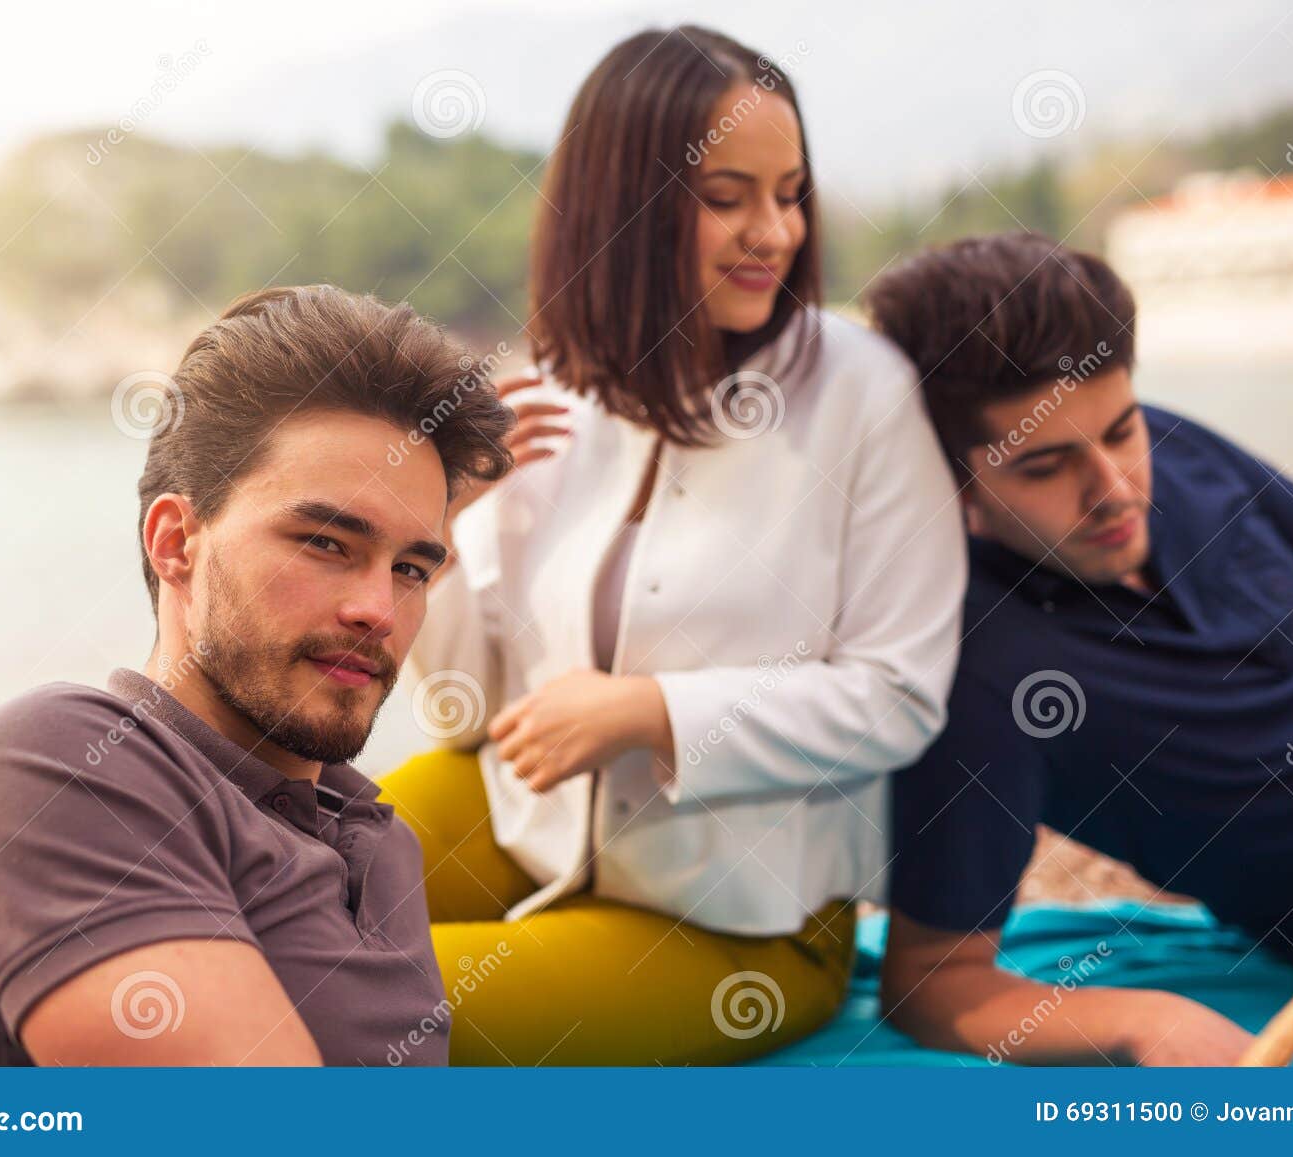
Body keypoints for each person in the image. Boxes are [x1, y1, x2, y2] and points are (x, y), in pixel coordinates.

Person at [382, 25, 966, 1065]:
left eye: (790, 194)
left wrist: (650, 710)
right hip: (525, 822)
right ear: (623, 206)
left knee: (360, 1008)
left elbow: (899, 695)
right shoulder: (552, 388)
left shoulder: (863, 392)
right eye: (727, 196)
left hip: (745, 922)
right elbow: (469, 703)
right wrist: (450, 525)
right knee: (245, 885)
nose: (774, 232)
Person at [0, 285, 514, 1066]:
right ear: (175, 542)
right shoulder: (54, 766)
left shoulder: (381, 844)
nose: (379, 610)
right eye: (326, 542)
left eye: (412, 567)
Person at [867, 231, 1293, 1066]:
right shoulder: (981, 665)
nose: (1115, 489)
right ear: (950, 478)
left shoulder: (1176, 443)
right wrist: (1144, 1022)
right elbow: (933, 977)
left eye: (1120, 431)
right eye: (1045, 466)